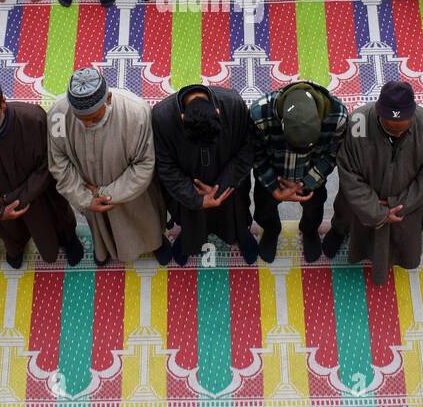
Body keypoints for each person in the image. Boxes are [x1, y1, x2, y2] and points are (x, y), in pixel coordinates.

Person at [0, 77, 85, 268]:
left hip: (37, 196)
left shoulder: (32, 119)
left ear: (3, 103)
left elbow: (50, 162)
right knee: (8, 231)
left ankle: (68, 240)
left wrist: (19, 198)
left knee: (56, 222)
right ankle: (15, 248)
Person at [47, 67, 172, 265]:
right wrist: (86, 199)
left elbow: (145, 164)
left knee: (145, 223)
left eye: (94, 117)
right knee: (101, 228)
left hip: (132, 194)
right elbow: (58, 161)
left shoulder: (137, 113)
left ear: (109, 99)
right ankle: (104, 250)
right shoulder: (58, 115)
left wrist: (108, 195)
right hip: (89, 195)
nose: (87, 124)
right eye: (82, 118)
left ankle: (156, 243)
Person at [325, 81, 423, 284]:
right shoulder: (358, 123)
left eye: (401, 131)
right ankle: (339, 231)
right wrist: (376, 211)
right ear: (378, 112)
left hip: (404, 203)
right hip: (361, 200)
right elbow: (348, 171)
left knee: (399, 235)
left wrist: (401, 204)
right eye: (390, 130)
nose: (396, 135)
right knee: (349, 217)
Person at [152, 82, 257, 265]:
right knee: (191, 216)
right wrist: (198, 198)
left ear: (218, 113)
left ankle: (241, 234)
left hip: (228, 183)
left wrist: (220, 187)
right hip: (190, 186)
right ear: (182, 118)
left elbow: (247, 149)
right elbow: (165, 167)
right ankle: (189, 239)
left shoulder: (233, 105)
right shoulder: (163, 117)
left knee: (235, 213)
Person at [250, 79, 349, 263]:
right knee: (264, 211)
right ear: (282, 122)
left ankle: (309, 231)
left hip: (311, 175)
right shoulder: (259, 114)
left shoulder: (338, 116)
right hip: (273, 175)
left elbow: (332, 155)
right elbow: (256, 154)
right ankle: (272, 231)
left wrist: (309, 181)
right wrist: (273, 187)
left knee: (314, 210)